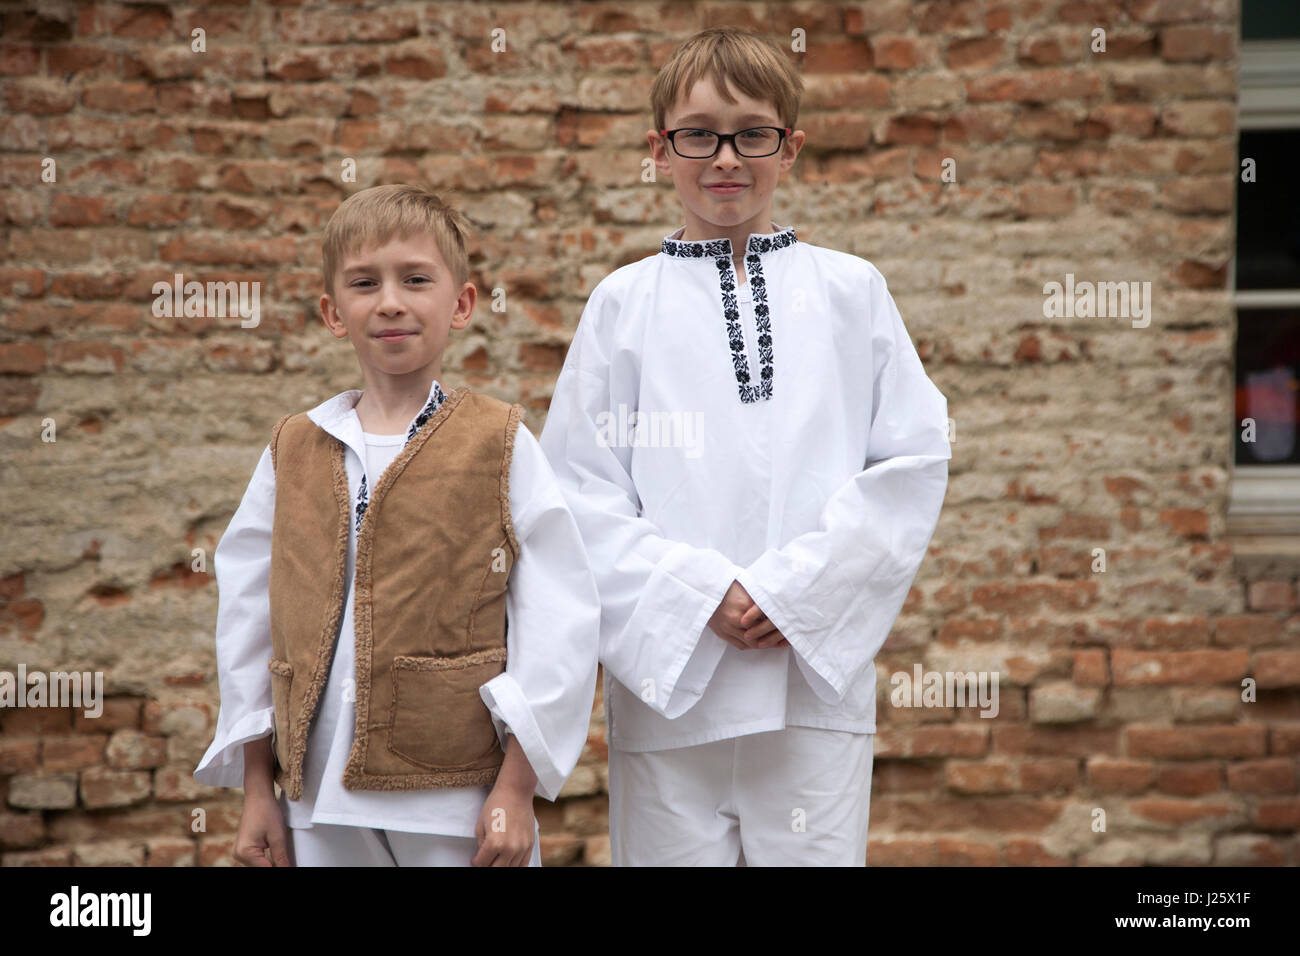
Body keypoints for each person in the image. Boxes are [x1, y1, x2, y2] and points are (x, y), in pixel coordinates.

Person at [538, 28, 951, 866]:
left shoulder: (851, 292)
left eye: (752, 134)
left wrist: (791, 599)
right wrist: (699, 597)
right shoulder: (622, 304)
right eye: (698, 134)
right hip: (671, 693)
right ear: (660, 149)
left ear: (790, 146)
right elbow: (578, 489)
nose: (725, 158)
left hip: (809, 691)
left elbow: (909, 462)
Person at [194, 184, 601, 867]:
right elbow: (246, 623)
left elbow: (560, 621)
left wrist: (516, 787)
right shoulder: (293, 448)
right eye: (363, 282)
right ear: (332, 312)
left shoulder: (499, 442)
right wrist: (259, 789)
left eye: (416, 279)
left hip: (454, 800)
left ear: (462, 303)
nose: (390, 300)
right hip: (314, 797)